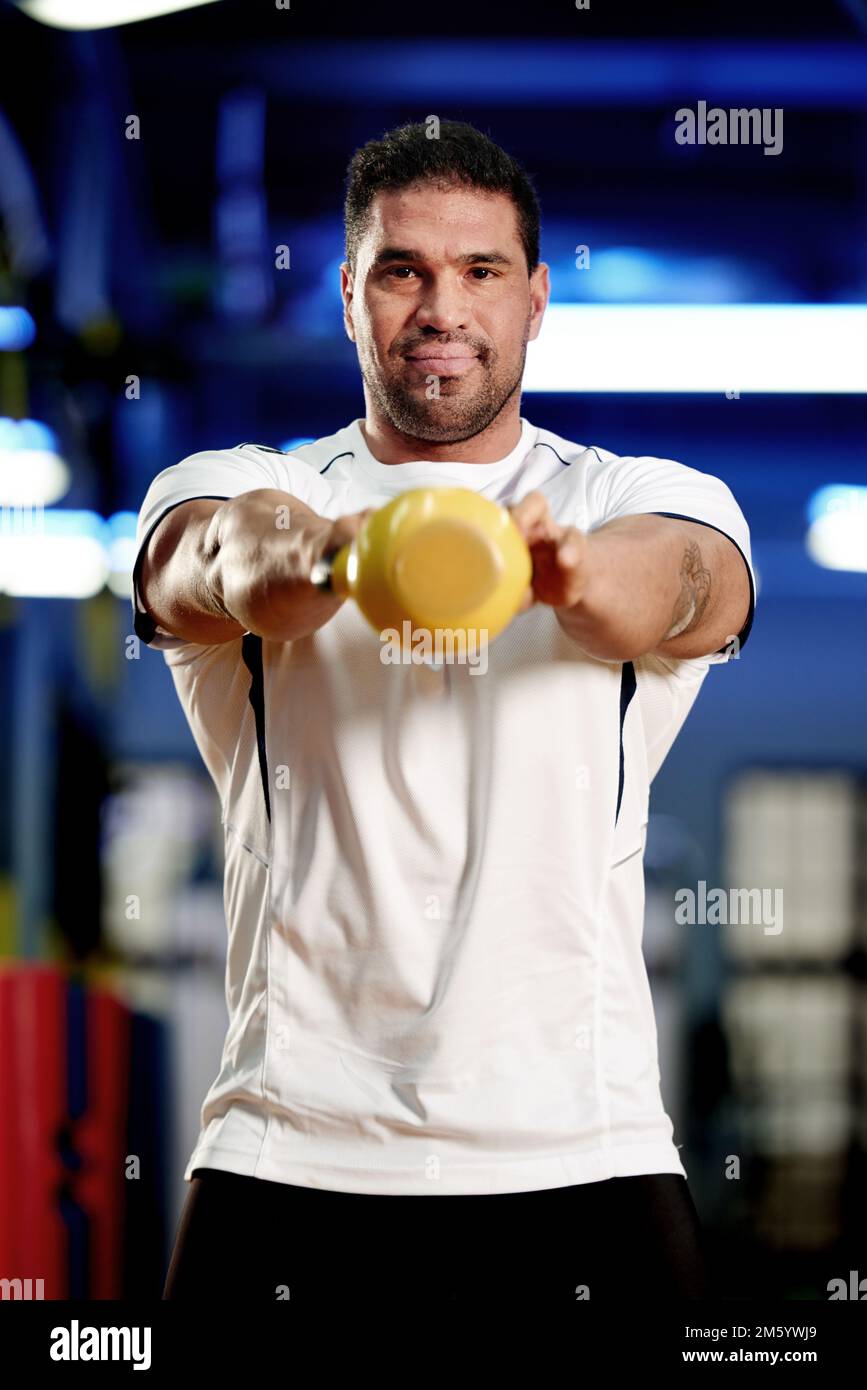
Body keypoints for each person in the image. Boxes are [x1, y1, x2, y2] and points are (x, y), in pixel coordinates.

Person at [133, 120, 754, 1303]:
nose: (441, 306)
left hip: (585, 1157)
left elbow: (679, 586)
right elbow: (217, 560)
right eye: (403, 269)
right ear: (350, 293)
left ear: (536, 297)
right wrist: (356, 552)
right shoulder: (254, 485)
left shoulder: (634, 497)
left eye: (480, 271)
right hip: (290, 1154)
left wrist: (555, 572)